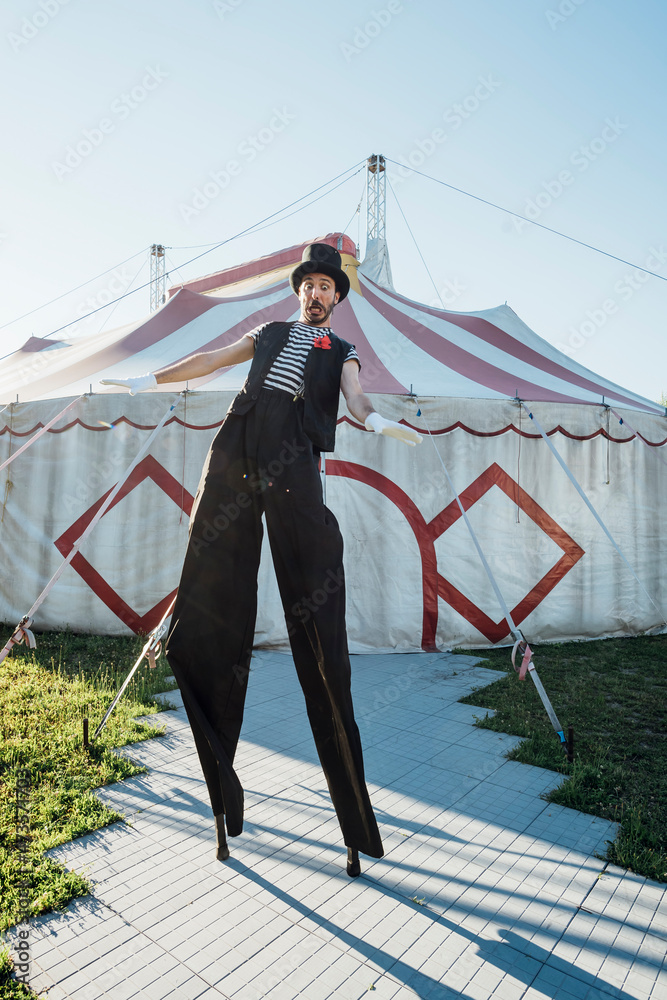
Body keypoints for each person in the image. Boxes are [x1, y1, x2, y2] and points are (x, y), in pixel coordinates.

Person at [101, 242, 421, 876]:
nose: (317, 293)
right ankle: (219, 790)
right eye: (310, 285)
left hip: (295, 460)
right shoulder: (270, 331)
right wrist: (149, 379)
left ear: (337, 296)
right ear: (299, 290)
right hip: (240, 446)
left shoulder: (342, 351)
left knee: (318, 613)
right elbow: (212, 358)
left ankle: (353, 819)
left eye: (328, 286)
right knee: (213, 588)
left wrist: (379, 422)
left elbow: (355, 400)